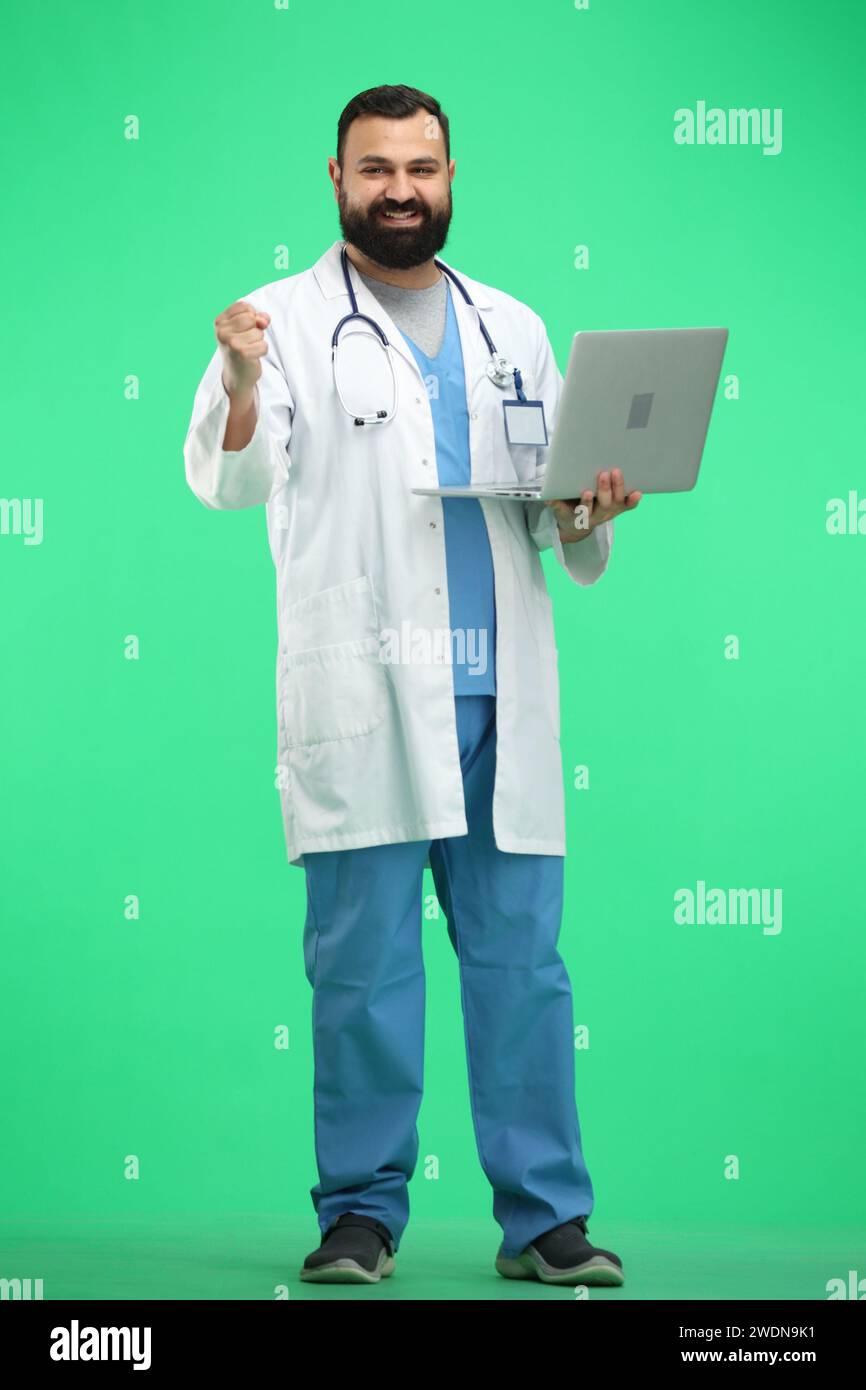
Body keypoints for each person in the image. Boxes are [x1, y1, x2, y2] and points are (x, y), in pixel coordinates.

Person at [183, 84, 642, 1289]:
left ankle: (545, 1218)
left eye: (421, 168)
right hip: (370, 699)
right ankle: (360, 1216)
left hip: (499, 703)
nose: (401, 189)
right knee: (362, 971)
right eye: (376, 168)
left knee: (523, 970)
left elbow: (542, 518)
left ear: (450, 176)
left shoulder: (514, 328)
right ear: (334, 179)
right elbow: (234, 482)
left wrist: (587, 508)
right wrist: (236, 380)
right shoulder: (275, 321)